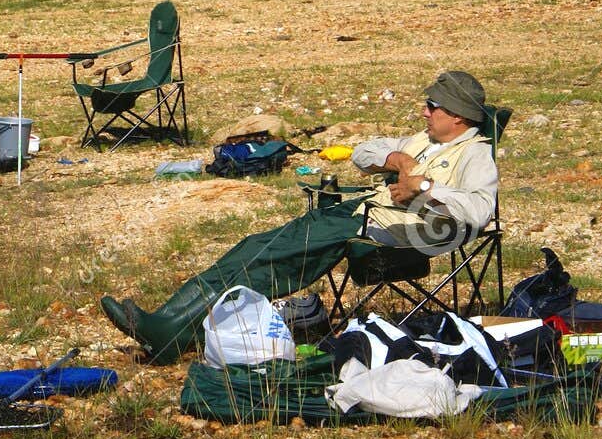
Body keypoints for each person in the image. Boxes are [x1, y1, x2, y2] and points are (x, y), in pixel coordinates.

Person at [100, 70, 499, 363]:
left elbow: (480, 211)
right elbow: (362, 153)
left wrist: (425, 188)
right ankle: (167, 319)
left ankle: (170, 333)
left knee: (269, 260)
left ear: (459, 116)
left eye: (432, 106)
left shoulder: (475, 154)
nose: (424, 111)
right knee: (252, 247)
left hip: (388, 230)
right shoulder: (423, 140)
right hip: (359, 213)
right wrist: (398, 158)